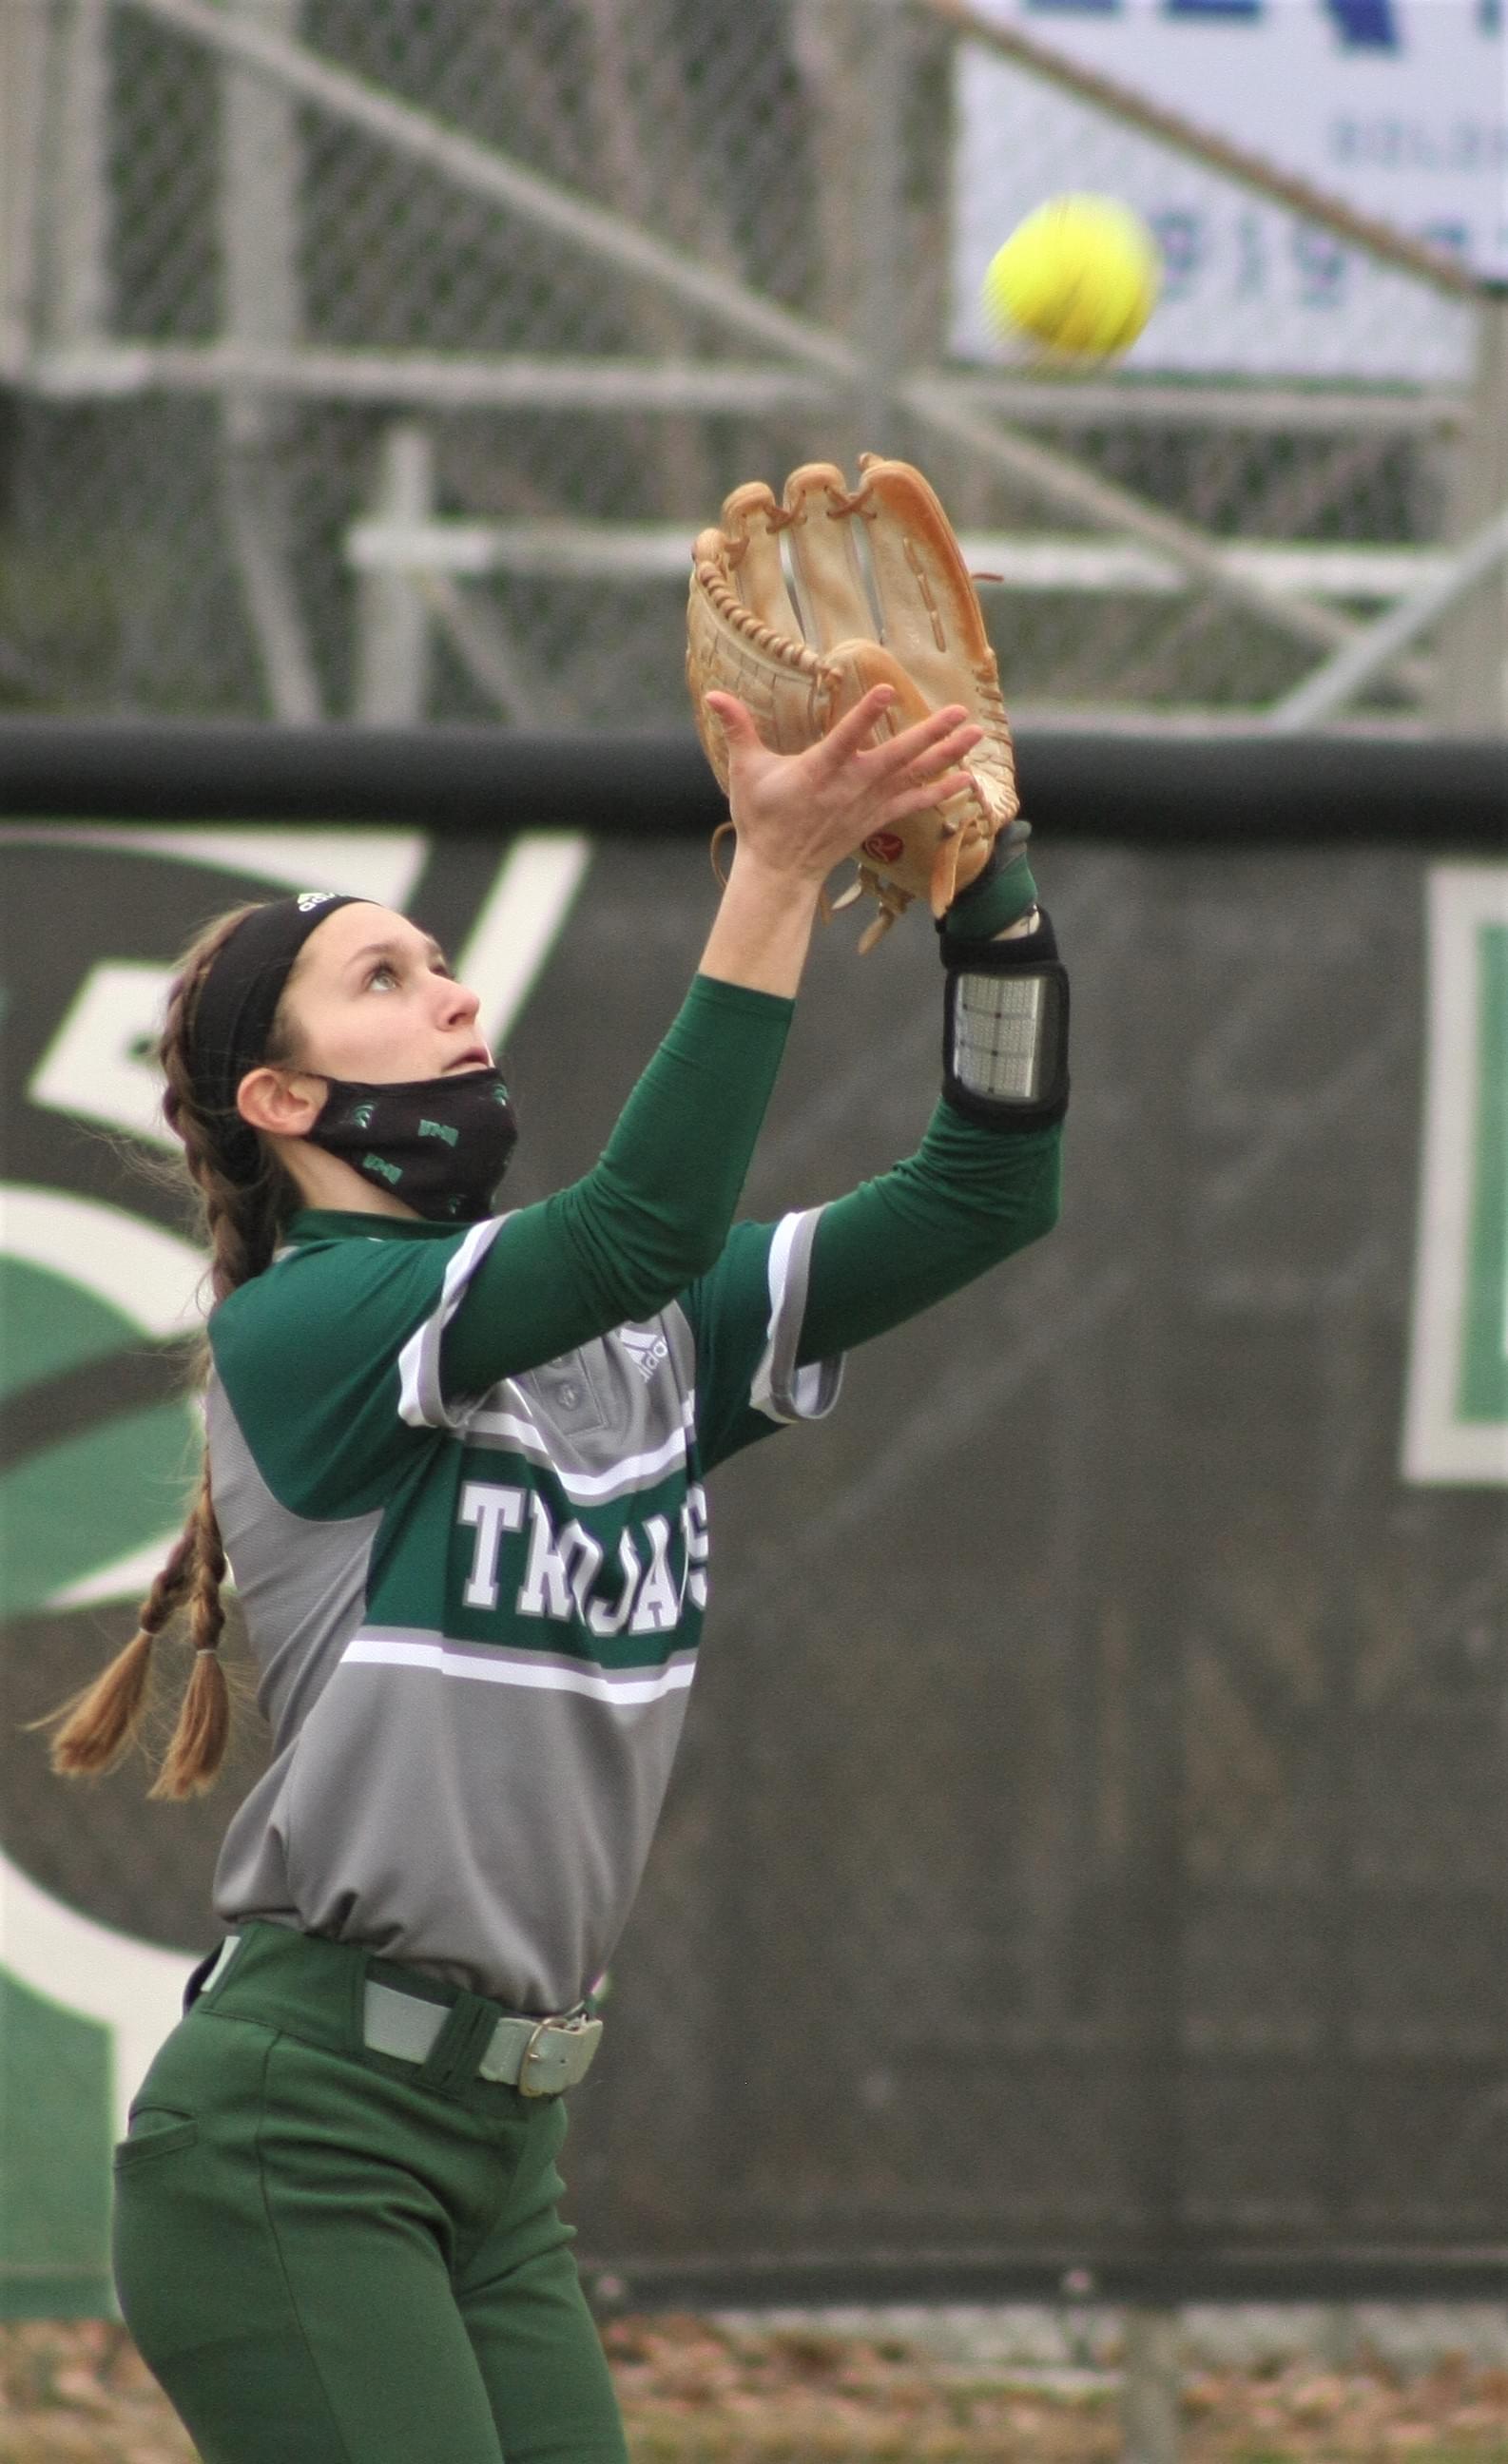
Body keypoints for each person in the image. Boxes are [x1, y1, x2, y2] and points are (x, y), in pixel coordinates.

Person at [37, 683, 1068, 2464]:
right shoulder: (310, 1327)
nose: (451, 991)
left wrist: (991, 890)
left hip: (503, 2156)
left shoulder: (637, 1342)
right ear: (280, 1100)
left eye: (442, 961)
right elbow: (644, 1224)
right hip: (301, 2141)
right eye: (383, 978)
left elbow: (992, 1187)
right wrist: (770, 867)